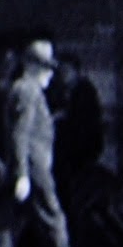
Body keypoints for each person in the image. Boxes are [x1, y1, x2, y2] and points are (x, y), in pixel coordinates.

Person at [0, 39, 100, 247]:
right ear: (32, 66)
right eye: (45, 67)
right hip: (34, 170)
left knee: (8, 226)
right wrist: (23, 173)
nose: (50, 74)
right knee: (53, 220)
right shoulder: (28, 92)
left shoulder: (21, 89)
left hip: (23, 167)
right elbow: (20, 133)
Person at [49, 51, 105, 215]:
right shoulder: (61, 91)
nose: (62, 76)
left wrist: (63, 117)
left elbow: (82, 120)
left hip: (82, 150)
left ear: (76, 71)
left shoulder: (84, 91)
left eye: (66, 71)